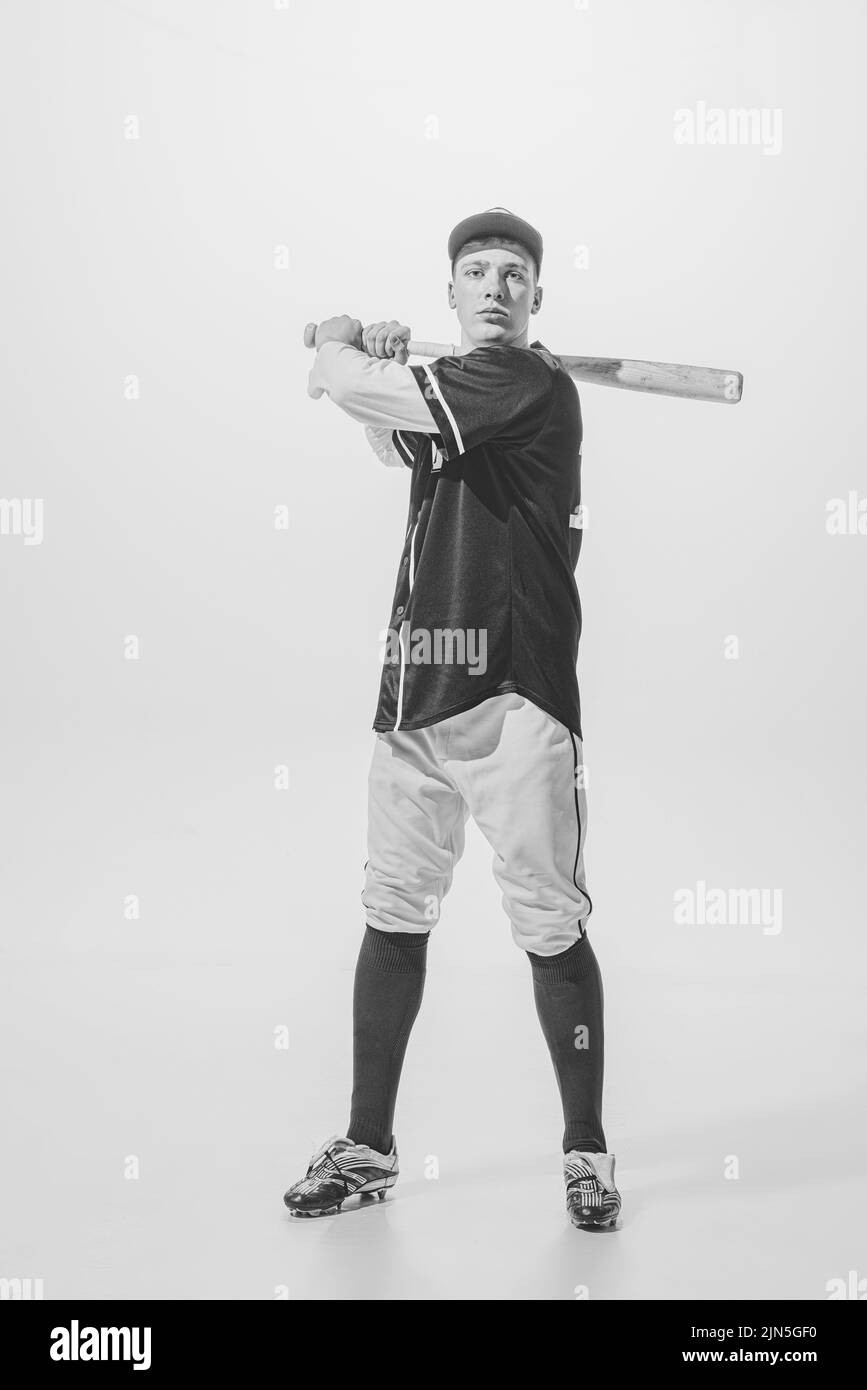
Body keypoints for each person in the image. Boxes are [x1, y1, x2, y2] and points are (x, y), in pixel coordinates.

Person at [283, 208, 621, 1230]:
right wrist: (378, 364)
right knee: (393, 915)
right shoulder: (461, 394)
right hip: (421, 686)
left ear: (535, 300)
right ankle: (366, 1147)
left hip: (515, 694)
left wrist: (340, 338)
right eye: (474, 271)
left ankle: (587, 1151)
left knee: (550, 926)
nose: (492, 287)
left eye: (513, 274)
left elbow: (345, 384)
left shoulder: (527, 382)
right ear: (450, 294)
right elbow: (391, 430)